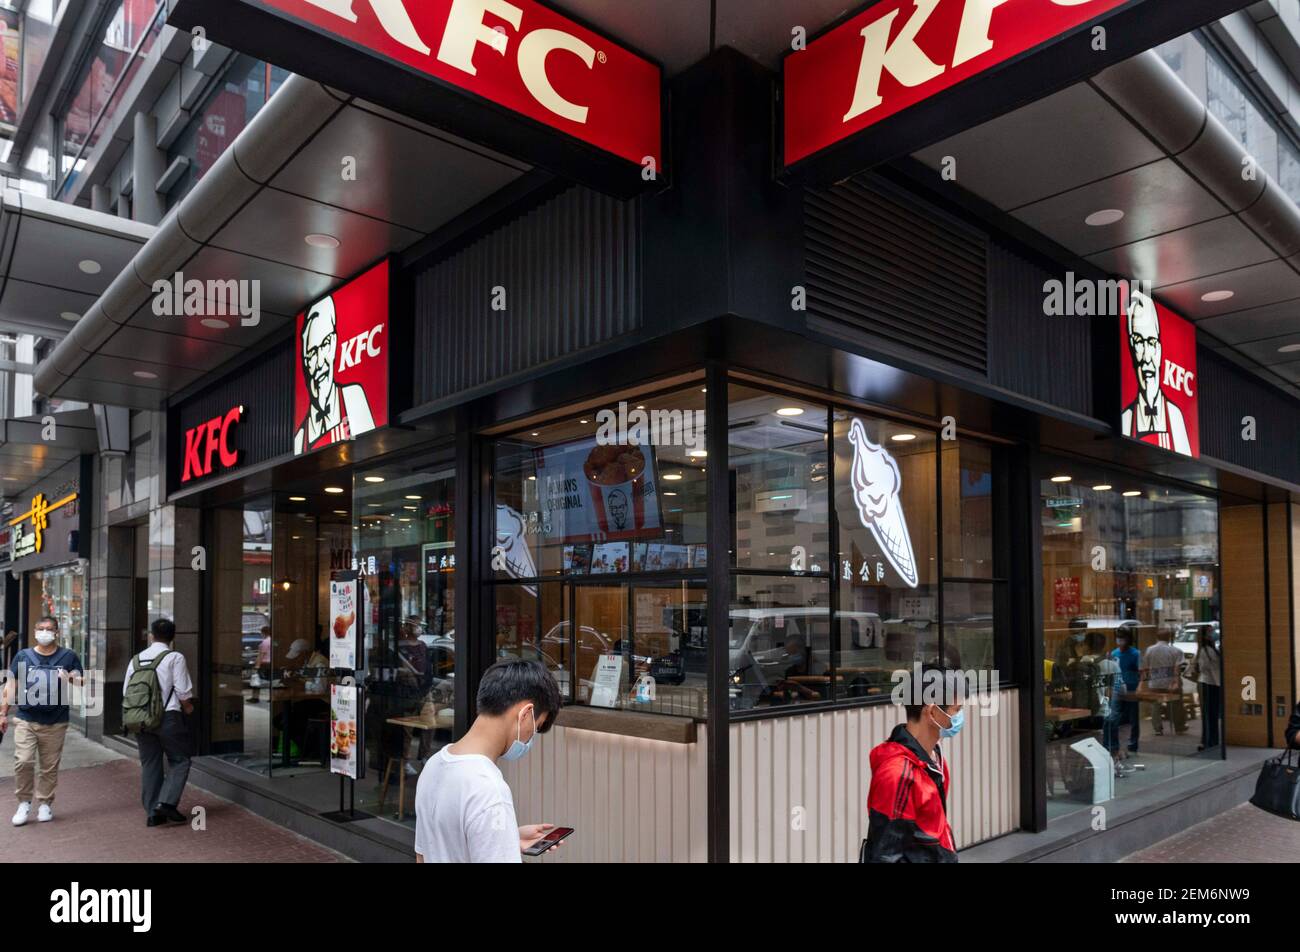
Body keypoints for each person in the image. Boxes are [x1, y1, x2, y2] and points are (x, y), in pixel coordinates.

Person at [414, 658, 563, 863]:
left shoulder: (434, 764)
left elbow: (424, 854)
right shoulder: (489, 790)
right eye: (536, 726)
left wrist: (507, 838)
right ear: (526, 714)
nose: (531, 736)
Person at [863, 665, 962, 863]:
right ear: (932, 712)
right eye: (956, 710)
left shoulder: (934, 759)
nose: (959, 718)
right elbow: (885, 857)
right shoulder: (898, 775)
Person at [1, 616, 84, 826]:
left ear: (57, 632)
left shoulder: (68, 656)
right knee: (23, 761)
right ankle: (24, 802)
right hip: (26, 719)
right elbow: (11, 685)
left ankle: (45, 803)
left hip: (55, 721)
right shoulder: (23, 656)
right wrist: (2, 713)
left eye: (49, 629)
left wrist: (70, 678)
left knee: (49, 766)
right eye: (41, 628)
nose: (45, 632)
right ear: (35, 631)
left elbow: (82, 680)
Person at [125, 618, 194, 828]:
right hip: (168, 717)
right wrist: (190, 709)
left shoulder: (136, 659)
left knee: (150, 763)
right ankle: (166, 803)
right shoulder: (175, 657)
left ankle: (152, 813)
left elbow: (126, 692)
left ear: (151, 635)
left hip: (140, 720)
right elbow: (183, 691)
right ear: (173, 637)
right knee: (180, 760)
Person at [1121, 289, 1192, 455]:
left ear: (1159, 350)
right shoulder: (1125, 419)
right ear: (1131, 347)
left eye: (1151, 343)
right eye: (1139, 342)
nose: (1146, 357)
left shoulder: (1176, 418)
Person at [1142, 624, 1187, 735]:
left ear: (1157, 638)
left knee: (1155, 705)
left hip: (1155, 682)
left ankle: (1158, 729)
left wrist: (1144, 682)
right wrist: (1176, 682)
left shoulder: (1149, 650)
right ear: (1169, 638)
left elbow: (1145, 667)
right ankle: (1179, 727)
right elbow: (1177, 669)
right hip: (1170, 682)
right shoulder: (1176, 651)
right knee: (1176, 703)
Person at [1188, 628, 1221, 751]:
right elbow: (1206, 668)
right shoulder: (1204, 651)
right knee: (1209, 714)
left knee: (1212, 714)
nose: (1213, 634)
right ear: (1205, 636)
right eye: (1209, 632)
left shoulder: (1211, 649)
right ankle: (1209, 741)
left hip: (1212, 683)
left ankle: (1211, 740)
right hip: (1208, 683)